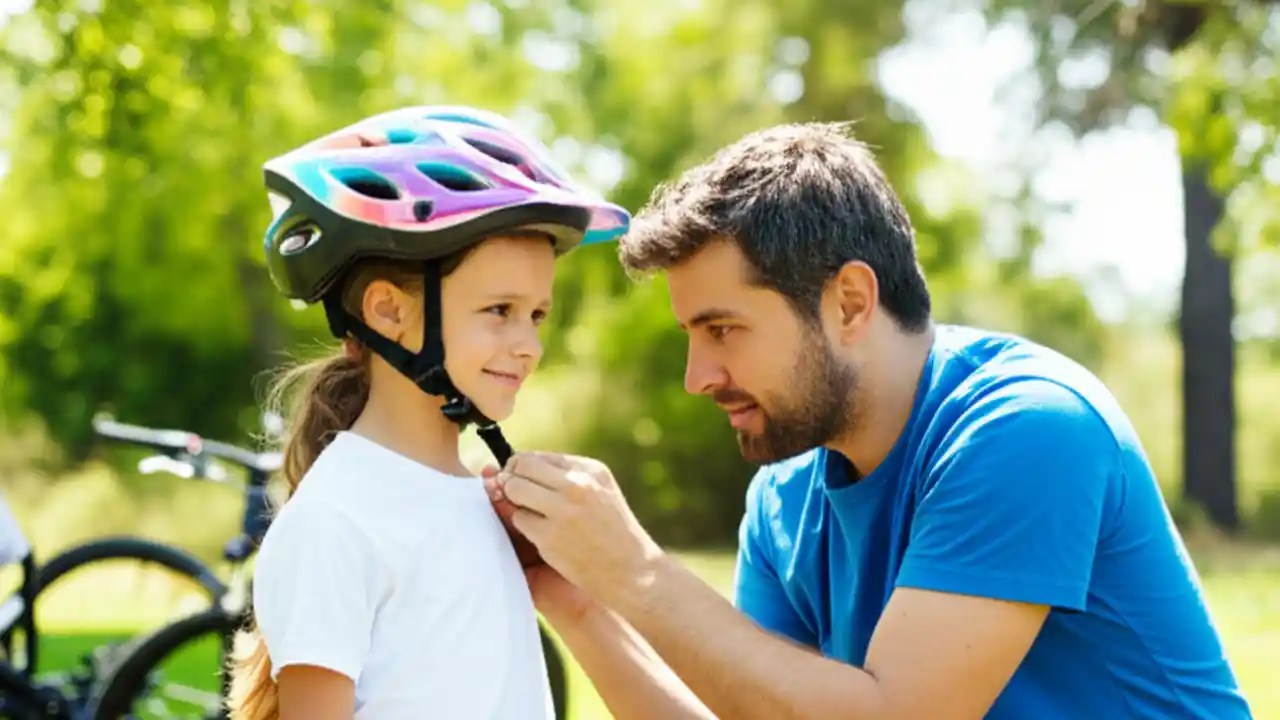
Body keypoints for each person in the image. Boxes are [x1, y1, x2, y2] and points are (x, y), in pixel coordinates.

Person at [487, 122, 1254, 719]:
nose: (698, 379)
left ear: (850, 301)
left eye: (723, 330)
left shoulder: (1028, 429)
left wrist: (640, 571)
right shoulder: (785, 501)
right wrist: (583, 600)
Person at [225, 105, 630, 720]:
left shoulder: (486, 503)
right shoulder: (334, 522)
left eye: (537, 314)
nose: (529, 344)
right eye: (500, 309)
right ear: (388, 311)